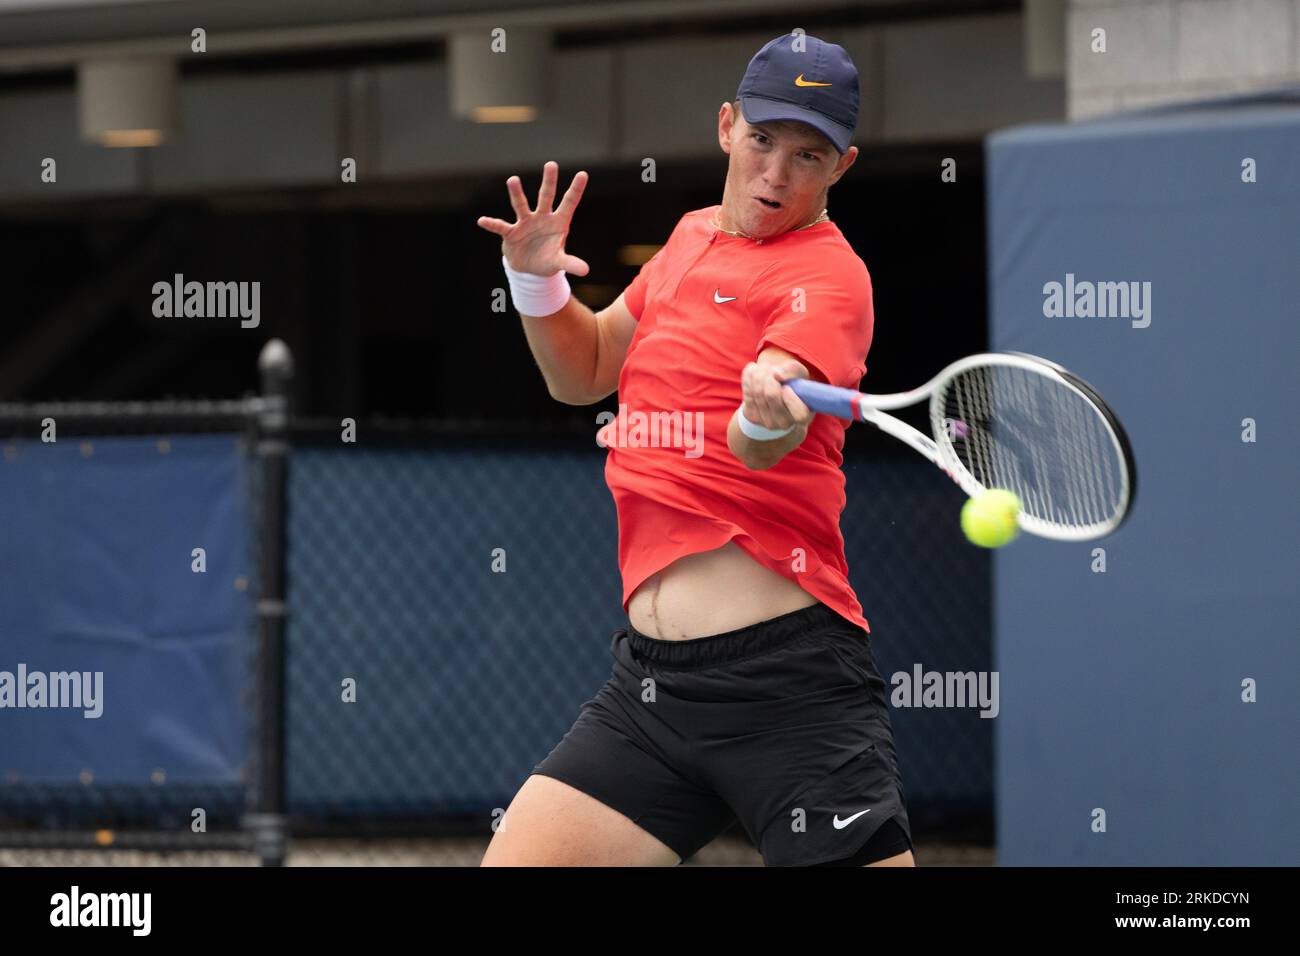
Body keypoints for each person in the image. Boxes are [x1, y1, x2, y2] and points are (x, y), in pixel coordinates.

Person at [476, 33, 912, 867]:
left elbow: (765, 439)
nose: (776, 175)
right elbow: (588, 369)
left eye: (807, 155)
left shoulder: (830, 277)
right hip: (652, 692)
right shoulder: (687, 239)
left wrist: (763, 410)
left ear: (841, 167)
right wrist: (537, 282)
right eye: (762, 141)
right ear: (726, 127)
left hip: (789, 690)